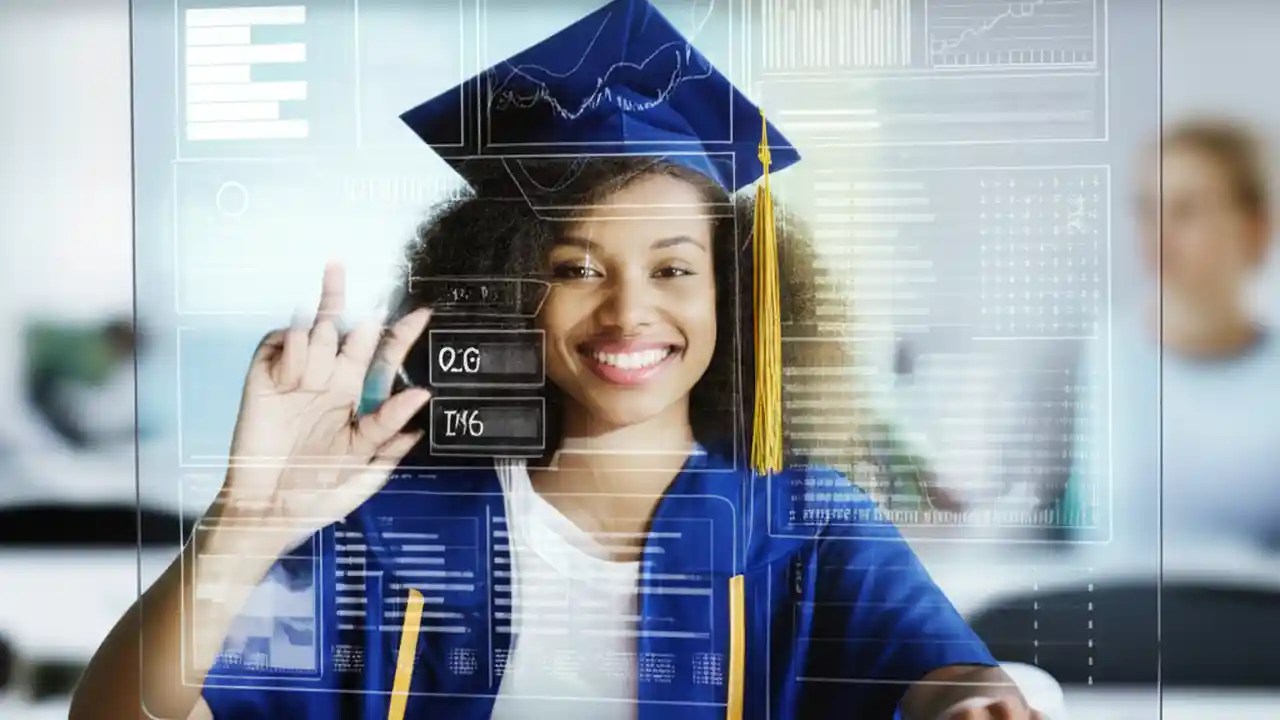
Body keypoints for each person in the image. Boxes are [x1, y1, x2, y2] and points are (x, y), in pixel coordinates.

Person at [71, 1, 1041, 718]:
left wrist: (981, 697)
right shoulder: (387, 525)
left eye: (673, 267)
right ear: (503, 285)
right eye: (575, 265)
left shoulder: (806, 525)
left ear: (734, 292)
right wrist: (246, 524)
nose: (630, 310)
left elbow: (946, 682)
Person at [1063, 117, 1280, 561]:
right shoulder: (1094, 362)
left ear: (1255, 228)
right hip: (1115, 623)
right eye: (1147, 209)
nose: (1158, 234)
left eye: (1186, 211)